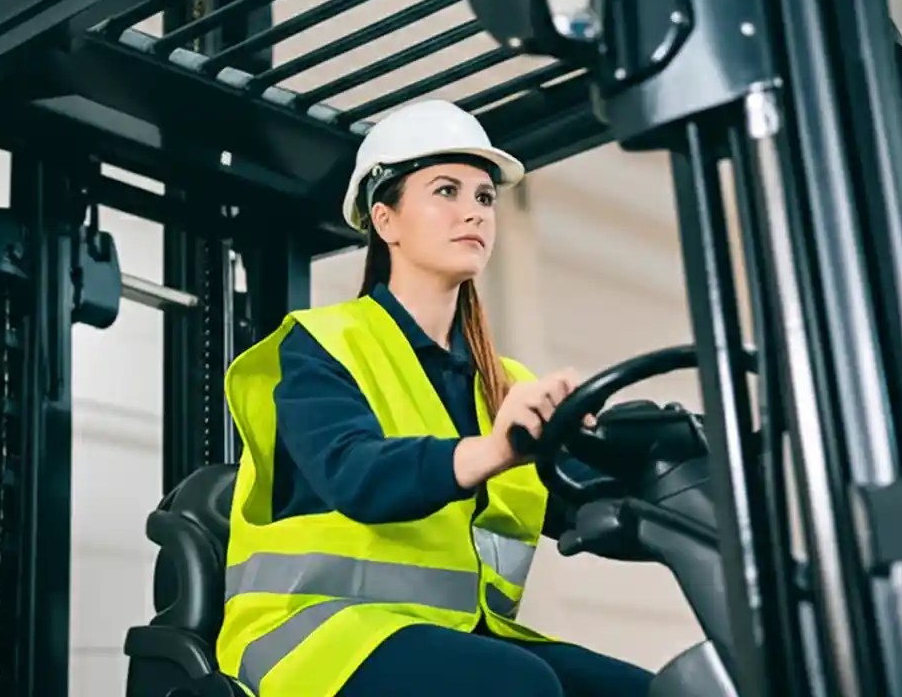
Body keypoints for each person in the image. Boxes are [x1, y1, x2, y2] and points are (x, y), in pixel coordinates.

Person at [215, 99, 654, 697]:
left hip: (459, 634)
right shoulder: (323, 345)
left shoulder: (503, 383)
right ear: (385, 220)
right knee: (519, 687)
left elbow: (578, 504)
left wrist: (664, 477)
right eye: (446, 191)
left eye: (484, 198)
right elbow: (356, 475)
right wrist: (493, 450)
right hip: (316, 635)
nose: (473, 212)